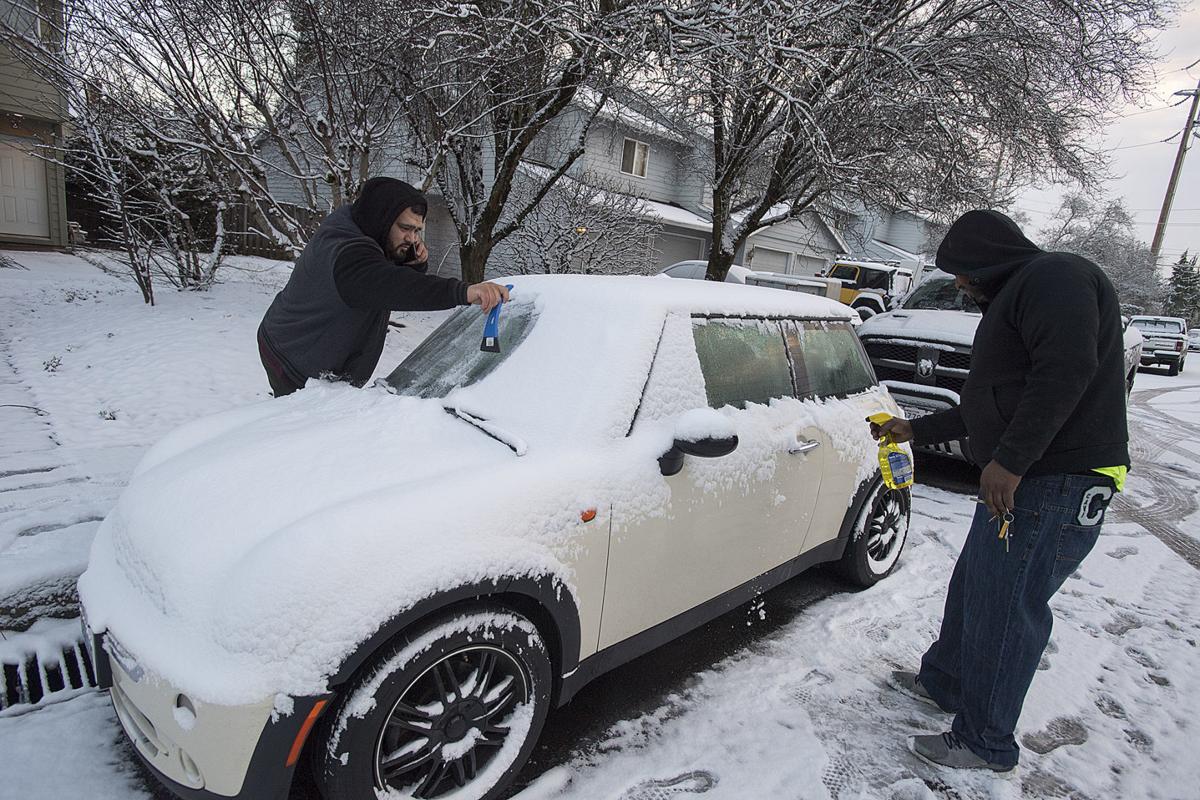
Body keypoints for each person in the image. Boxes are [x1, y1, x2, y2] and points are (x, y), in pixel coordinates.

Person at [871, 210, 1130, 773]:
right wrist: (920, 428)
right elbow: (993, 401)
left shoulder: (1054, 278)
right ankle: (946, 682)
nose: (960, 285)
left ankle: (985, 741)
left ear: (990, 259)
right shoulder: (1016, 296)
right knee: (977, 587)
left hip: (1056, 480)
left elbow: (1064, 373)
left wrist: (1009, 462)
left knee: (1008, 609)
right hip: (1034, 479)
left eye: (964, 273)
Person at [257, 177, 508, 397]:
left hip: (299, 345)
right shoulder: (346, 248)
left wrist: (409, 264)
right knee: (304, 437)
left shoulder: (359, 225)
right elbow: (383, 285)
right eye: (405, 228)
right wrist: (463, 291)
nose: (412, 238)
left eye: (417, 230)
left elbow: (380, 278)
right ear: (381, 218)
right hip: (292, 358)